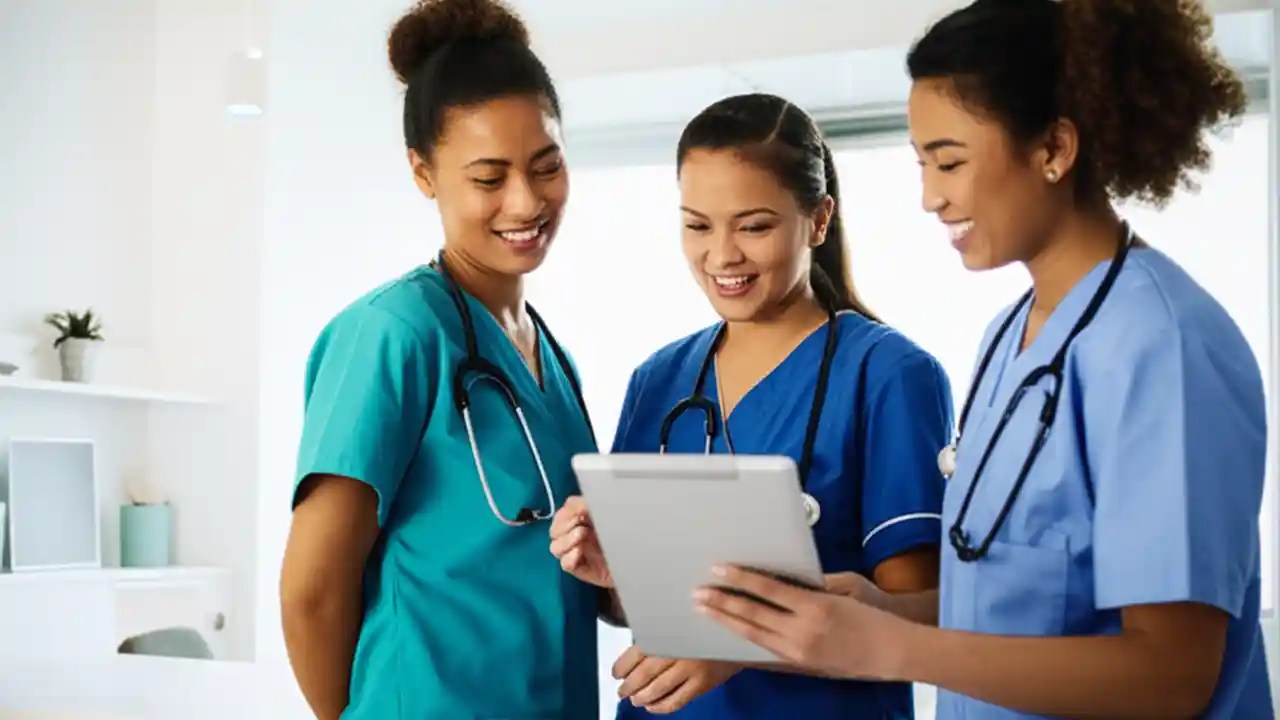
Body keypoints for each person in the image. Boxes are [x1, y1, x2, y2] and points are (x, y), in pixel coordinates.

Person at [691, 1, 1272, 719]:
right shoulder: (1011, 337)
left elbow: (1171, 675)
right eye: (921, 162)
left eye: (951, 161)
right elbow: (1022, 602)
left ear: (1054, 149)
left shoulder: (1163, 347)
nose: (931, 197)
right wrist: (887, 611)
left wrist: (884, 647)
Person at [551, 92, 955, 718]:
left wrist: (744, 640)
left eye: (754, 225)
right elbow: (641, 607)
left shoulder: (889, 375)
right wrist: (615, 578)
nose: (722, 255)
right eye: (697, 224)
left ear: (818, 220)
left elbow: (923, 613)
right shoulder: (660, 382)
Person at [278, 1, 600, 718]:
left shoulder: (554, 359)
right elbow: (311, 590)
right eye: (488, 178)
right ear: (424, 173)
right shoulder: (393, 335)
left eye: (546, 166)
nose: (526, 200)